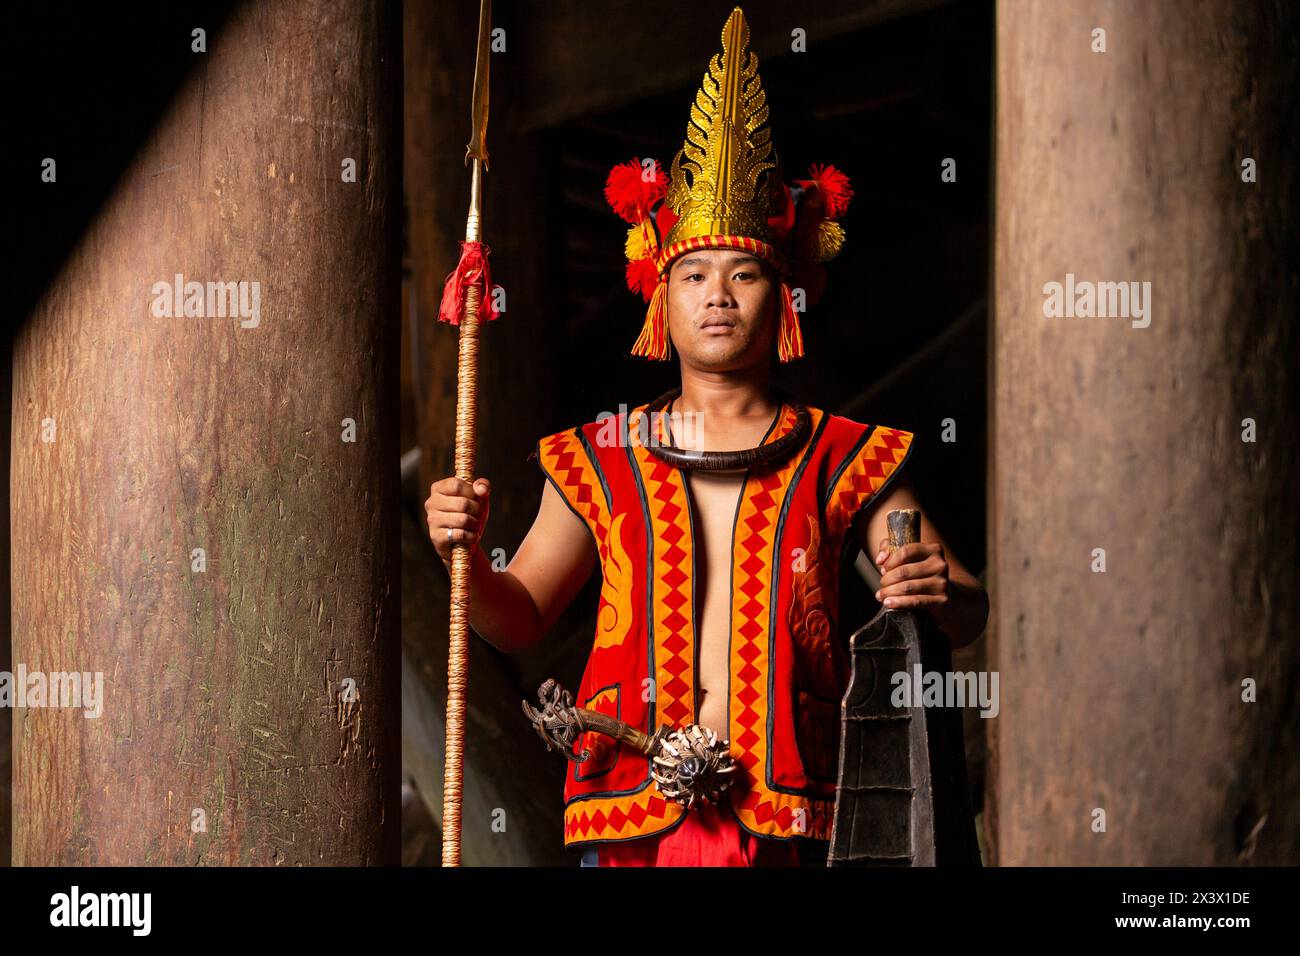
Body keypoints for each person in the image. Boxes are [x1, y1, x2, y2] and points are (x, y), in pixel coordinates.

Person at [425, 6, 988, 867]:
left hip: (799, 823)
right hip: (632, 822)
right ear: (659, 293)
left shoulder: (848, 455)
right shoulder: (597, 457)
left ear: (786, 291)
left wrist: (936, 589)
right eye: (693, 273)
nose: (717, 294)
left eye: (745, 272)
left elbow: (966, 607)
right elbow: (521, 615)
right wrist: (464, 560)